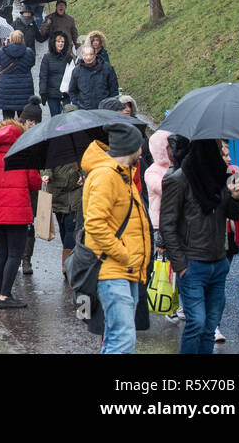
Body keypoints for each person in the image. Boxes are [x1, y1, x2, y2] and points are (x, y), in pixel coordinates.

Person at [160, 139, 239, 354]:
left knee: (209, 327)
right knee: (196, 323)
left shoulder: (220, 178)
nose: (223, 156)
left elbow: (234, 215)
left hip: (218, 261)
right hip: (193, 264)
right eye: (218, 150)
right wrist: (181, 265)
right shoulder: (179, 180)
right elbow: (167, 225)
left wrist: (236, 196)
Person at [81, 122, 152, 353]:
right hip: (113, 269)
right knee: (122, 339)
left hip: (125, 270)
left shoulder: (122, 176)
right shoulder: (106, 176)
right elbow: (95, 224)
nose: (142, 150)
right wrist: (125, 255)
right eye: (139, 145)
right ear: (131, 147)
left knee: (117, 337)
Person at [0, 121, 42, 308]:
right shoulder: (24, 157)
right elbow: (35, 184)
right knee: (15, 254)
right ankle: (6, 296)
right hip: (17, 213)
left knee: (0, 253)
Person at [44, 154, 84, 279]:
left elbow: (87, 165)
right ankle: (69, 259)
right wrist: (46, 174)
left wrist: (84, 176)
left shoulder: (78, 147)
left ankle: (67, 265)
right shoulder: (54, 148)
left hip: (74, 195)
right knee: (63, 229)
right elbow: (46, 165)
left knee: (70, 229)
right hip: (57, 196)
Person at [0, 30, 36, 120]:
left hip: (6, 90)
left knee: (8, 120)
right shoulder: (28, 52)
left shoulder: (4, 51)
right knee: (23, 120)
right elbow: (32, 63)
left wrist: (3, 46)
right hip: (24, 89)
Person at [67, 46, 119, 110]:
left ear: (95, 55)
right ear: (82, 56)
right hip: (85, 111)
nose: (88, 58)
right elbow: (72, 91)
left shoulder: (107, 68)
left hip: (104, 109)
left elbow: (114, 89)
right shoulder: (77, 71)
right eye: (85, 55)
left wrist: (110, 105)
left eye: (90, 54)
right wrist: (78, 105)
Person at [38, 32, 73, 116]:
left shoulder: (68, 57)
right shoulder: (47, 57)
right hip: (52, 95)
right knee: (55, 118)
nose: (61, 44)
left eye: (62, 42)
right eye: (58, 41)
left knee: (65, 118)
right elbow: (43, 76)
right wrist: (43, 92)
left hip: (65, 95)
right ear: (54, 42)